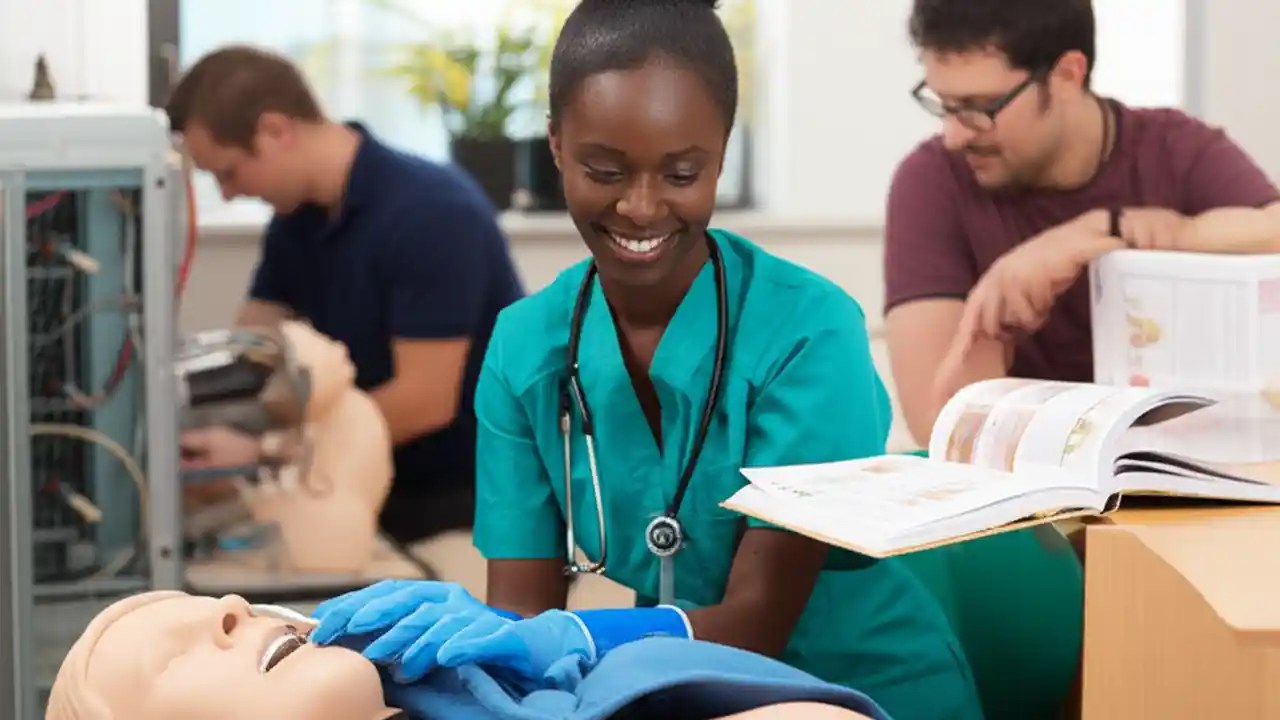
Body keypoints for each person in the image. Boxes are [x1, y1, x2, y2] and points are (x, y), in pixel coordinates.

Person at [309, 2, 982, 718]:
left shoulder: (809, 331)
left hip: (862, 690)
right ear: (557, 146)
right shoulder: (526, 349)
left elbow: (757, 622)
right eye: (604, 168)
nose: (640, 206)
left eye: (682, 172)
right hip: (658, 689)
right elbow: (519, 626)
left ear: (721, 153)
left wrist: (567, 638)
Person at [165, 45, 525, 543]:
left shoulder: (432, 214)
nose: (227, 194)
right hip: (361, 480)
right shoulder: (298, 220)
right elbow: (253, 350)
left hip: (460, 502)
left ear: (275, 131)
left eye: (227, 173)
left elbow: (425, 402)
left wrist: (266, 451)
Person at [884, 0, 1280, 446]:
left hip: (1192, 476)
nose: (954, 136)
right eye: (944, 104)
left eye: (980, 108)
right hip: (1029, 490)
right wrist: (991, 328)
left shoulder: (1175, 149)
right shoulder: (931, 182)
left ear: (1068, 74)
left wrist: (1110, 230)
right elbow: (935, 429)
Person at [43, 589, 890, 720]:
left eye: (208, 600)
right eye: (176, 650)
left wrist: (571, 644)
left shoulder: (494, 685)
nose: (230, 605)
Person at [178, 320, 394, 573]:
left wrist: (257, 449)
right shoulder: (318, 410)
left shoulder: (341, 411)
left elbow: (300, 454)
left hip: (326, 545)